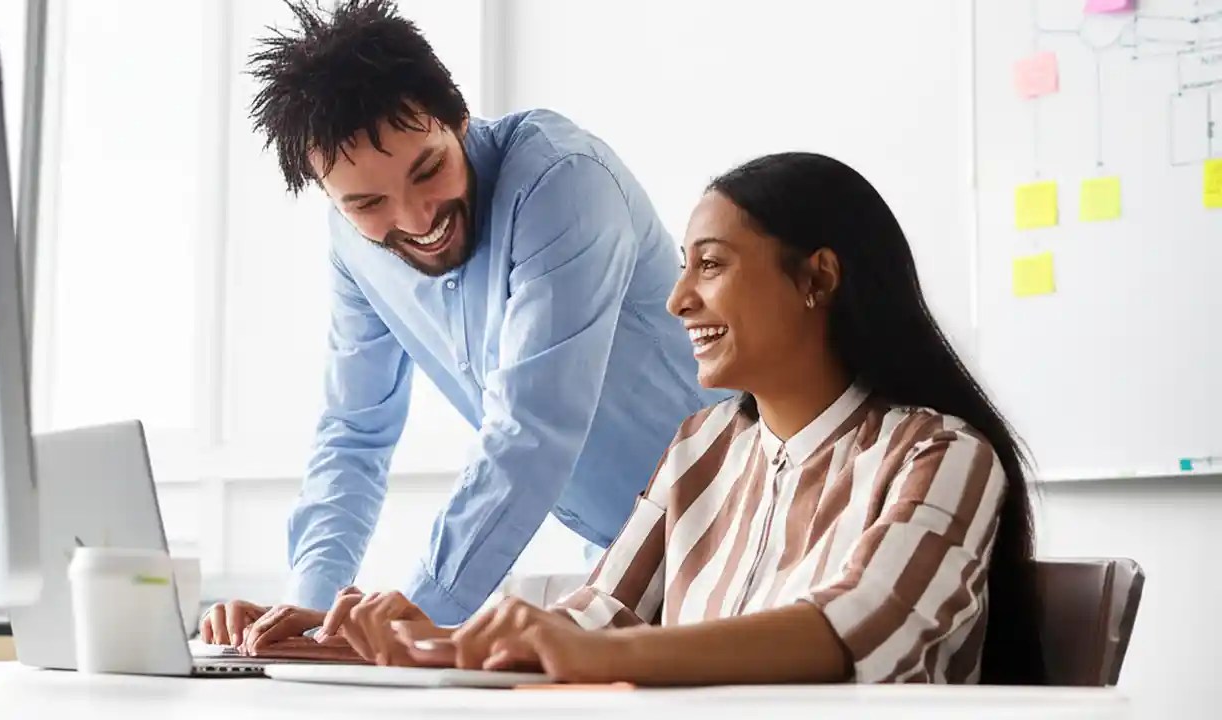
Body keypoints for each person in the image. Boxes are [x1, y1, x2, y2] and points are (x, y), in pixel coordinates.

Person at [321, 152, 1046, 684]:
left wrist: (608, 657)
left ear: (817, 278)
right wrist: (430, 642)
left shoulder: (942, 454)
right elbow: (598, 615)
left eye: (712, 265)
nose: (678, 301)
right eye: (683, 266)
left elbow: (859, 631)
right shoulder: (701, 449)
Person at [199, 0, 729, 648]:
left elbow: (531, 431)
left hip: (750, 533)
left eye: (429, 169)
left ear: (457, 114)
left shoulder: (564, 183)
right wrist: (299, 623)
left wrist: (404, 624)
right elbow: (353, 433)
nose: (418, 219)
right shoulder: (354, 247)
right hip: (631, 564)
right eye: (367, 202)